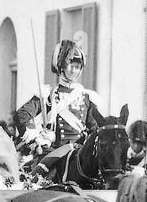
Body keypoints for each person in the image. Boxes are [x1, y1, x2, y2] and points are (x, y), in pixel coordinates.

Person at [15, 39, 100, 169]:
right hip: (53, 151)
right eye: (71, 66)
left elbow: (94, 129)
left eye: (77, 67)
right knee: (40, 177)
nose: (74, 70)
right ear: (61, 66)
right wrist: (36, 135)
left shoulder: (87, 97)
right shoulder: (47, 94)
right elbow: (22, 114)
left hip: (79, 152)